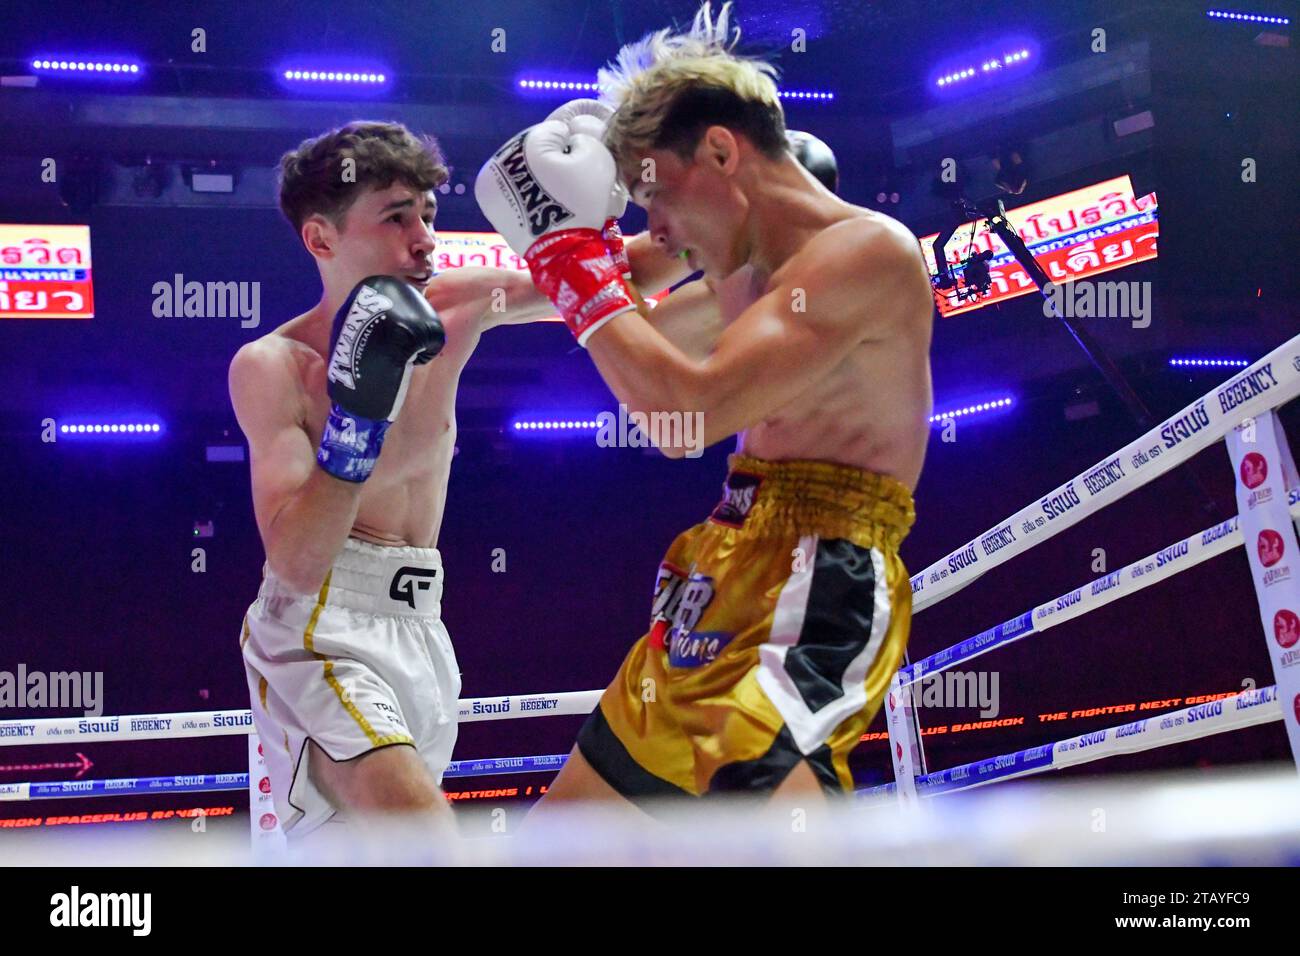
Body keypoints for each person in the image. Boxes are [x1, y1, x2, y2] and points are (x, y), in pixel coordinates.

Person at [473, 1, 935, 814]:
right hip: (718, 563)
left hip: (817, 568)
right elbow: (564, 296)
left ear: (721, 150)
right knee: (567, 837)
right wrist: (397, 305)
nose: (657, 228)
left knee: (756, 786)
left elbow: (682, 413)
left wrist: (571, 265)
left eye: (658, 199)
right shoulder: (734, 258)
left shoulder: (868, 254)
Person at [229, 121, 549, 842]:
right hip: (320, 625)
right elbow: (297, 561)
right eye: (397, 216)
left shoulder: (458, 305)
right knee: (424, 835)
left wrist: (596, 216)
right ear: (321, 240)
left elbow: (628, 283)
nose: (425, 238)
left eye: (429, 213)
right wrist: (355, 422)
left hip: (422, 623)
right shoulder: (273, 367)